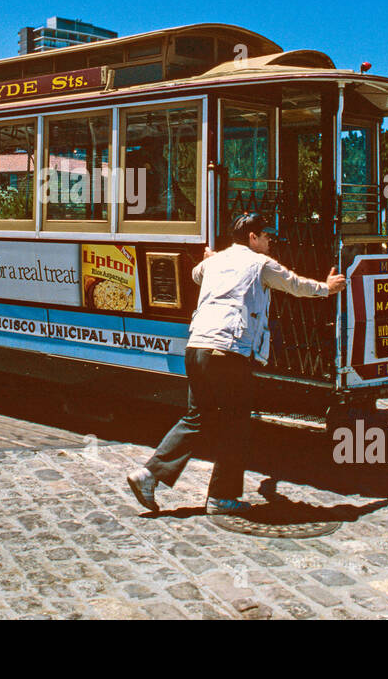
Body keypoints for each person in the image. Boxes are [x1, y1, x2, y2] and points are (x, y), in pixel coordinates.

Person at [127, 212, 346, 515]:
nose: (271, 241)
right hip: (227, 352)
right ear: (253, 238)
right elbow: (295, 285)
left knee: (197, 417)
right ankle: (221, 497)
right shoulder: (261, 264)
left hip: (197, 348)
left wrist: (212, 259)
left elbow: (195, 274)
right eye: (267, 236)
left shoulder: (214, 262)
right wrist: (327, 287)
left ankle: (148, 475)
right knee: (236, 424)